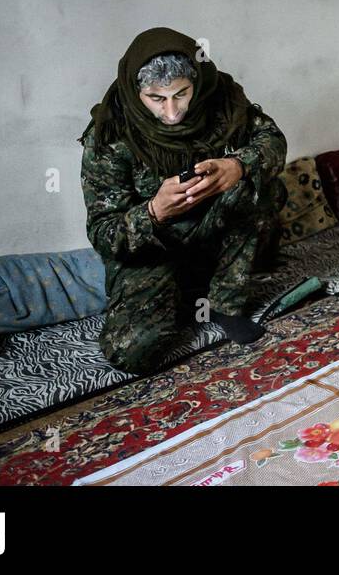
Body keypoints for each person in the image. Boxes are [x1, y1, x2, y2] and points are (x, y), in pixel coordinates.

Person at [78, 27, 288, 375]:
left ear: (196, 83)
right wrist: (154, 211)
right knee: (131, 354)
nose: (173, 112)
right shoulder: (110, 136)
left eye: (181, 94)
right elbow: (104, 235)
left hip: (213, 228)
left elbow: (273, 141)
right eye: (156, 99)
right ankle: (184, 290)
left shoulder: (221, 100)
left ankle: (225, 303)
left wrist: (237, 166)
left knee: (260, 187)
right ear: (136, 91)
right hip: (152, 248)